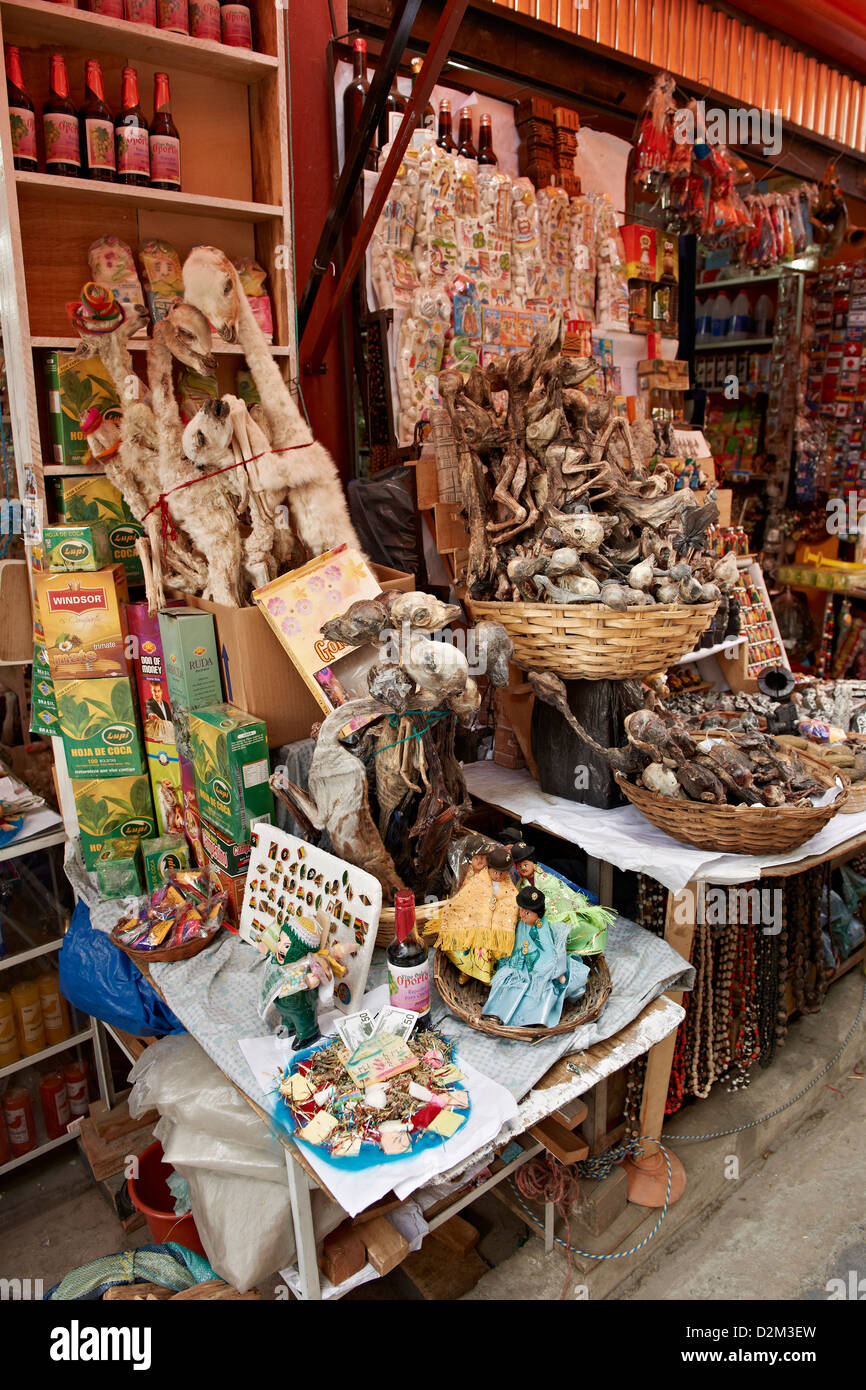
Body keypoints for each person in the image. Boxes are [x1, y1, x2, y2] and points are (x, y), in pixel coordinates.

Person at [482, 886, 590, 1028]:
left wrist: (552, 972)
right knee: (508, 983)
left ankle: (533, 1019)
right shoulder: (522, 924)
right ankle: (495, 1013)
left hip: (538, 966)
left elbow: (549, 953)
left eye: (527, 912)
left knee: (539, 992)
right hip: (519, 963)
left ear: (537, 914)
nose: (522, 915)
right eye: (521, 910)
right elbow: (516, 945)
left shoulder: (542, 928)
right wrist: (513, 960)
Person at [506, 839, 613, 956]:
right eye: (520, 866)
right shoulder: (521, 885)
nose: (523, 868)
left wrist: (575, 905)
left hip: (560, 915)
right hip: (539, 921)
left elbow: (562, 891)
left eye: (525, 864)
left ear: (533, 862)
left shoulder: (547, 878)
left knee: (577, 928)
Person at [435, 842, 519, 985]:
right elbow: (466, 897)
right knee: (467, 946)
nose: (499, 876)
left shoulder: (509, 886)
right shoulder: (478, 880)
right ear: (489, 868)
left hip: (493, 929)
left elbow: (513, 902)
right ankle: (466, 971)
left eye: (502, 873)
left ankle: (485, 975)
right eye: (495, 872)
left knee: (489, 951)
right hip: (476, 922)